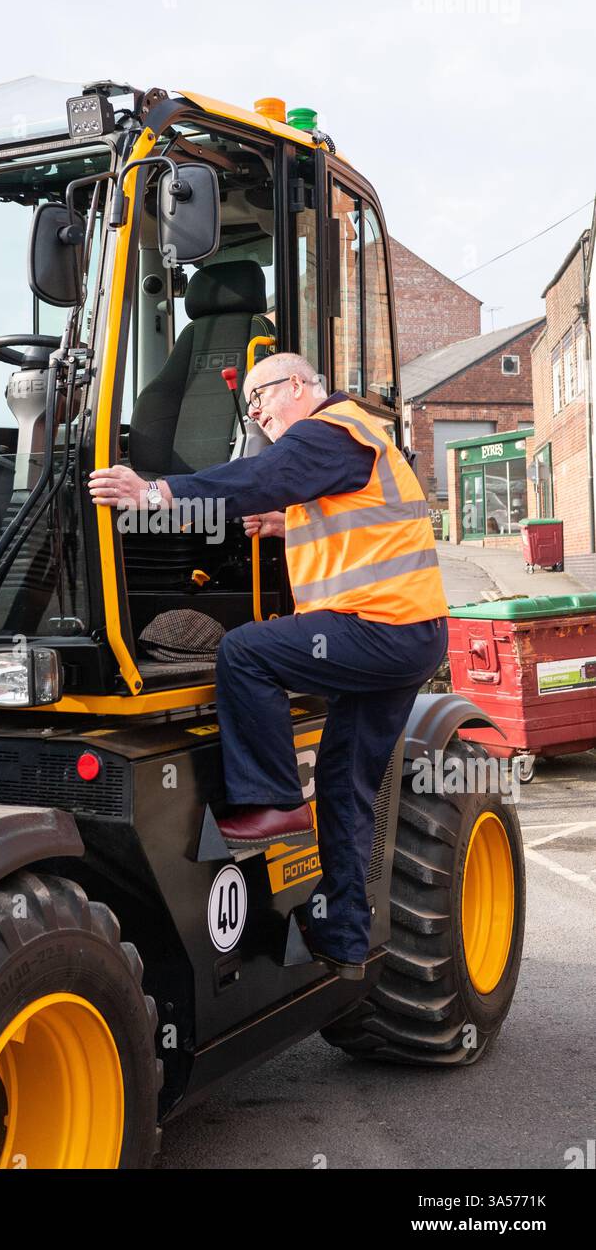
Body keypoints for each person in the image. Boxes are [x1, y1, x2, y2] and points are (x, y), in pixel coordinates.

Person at [89, 353, 449, 977]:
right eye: (250, 405)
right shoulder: (353, 442)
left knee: (246, 651)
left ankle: (276, 799)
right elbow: (359, 522)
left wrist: (155, 492)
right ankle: (344, 936)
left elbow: (260, 475)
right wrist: (291, 525)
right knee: (344, 785)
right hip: (407, 633)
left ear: (302, 386)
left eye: (262, 396)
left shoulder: (332, 430)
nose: (256, 412)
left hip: (379, 630)